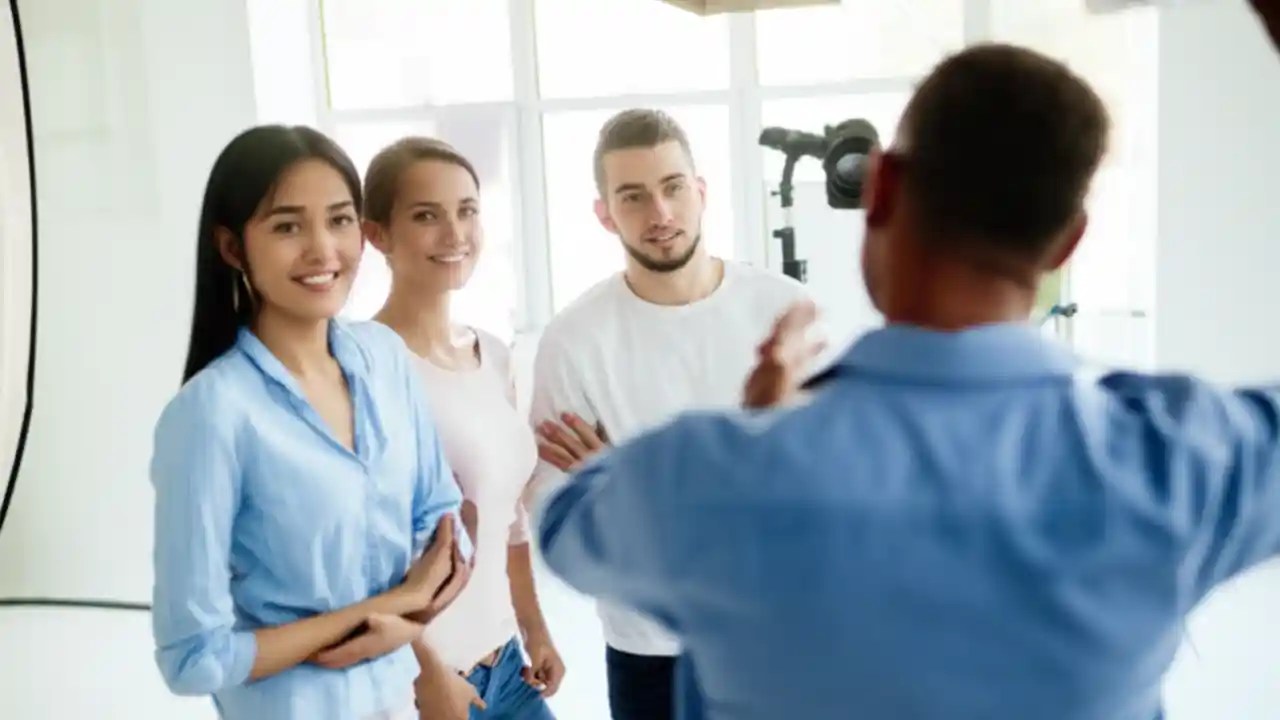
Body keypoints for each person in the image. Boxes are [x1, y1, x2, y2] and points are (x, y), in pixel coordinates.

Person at [534, 44, 1280, 720]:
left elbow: (569, 526)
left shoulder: (712, 478)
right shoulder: (1181, 460)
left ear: (882, 186)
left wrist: (753, 433)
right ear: (1067, 240)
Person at [150, 125, 474, 720]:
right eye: (287, 226)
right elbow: (193, 657)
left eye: (341, 220)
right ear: (232, 247)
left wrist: (403, 628)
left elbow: (447, 531)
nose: (324, 250)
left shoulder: (383, 358)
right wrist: (383, 613)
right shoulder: (210, 414)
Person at [528, 108, 809, 720]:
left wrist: (627, 484)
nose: (660, 214)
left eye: (673, 187)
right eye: (633, 196)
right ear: (604, 213)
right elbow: (558, 522)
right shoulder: (574, 341)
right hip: (647, 650)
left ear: (700, 191)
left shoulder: (784, 310)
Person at [362, 136, 564, 720]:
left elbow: (510, 518)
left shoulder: (494, 354)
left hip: (507, 664)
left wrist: (534, 628)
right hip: (428, 682)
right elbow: (362, 555)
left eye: (467, 210)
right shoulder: (368, 365)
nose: (455, 234)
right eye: (427, 216)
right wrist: (427, 674)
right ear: (378, 234)